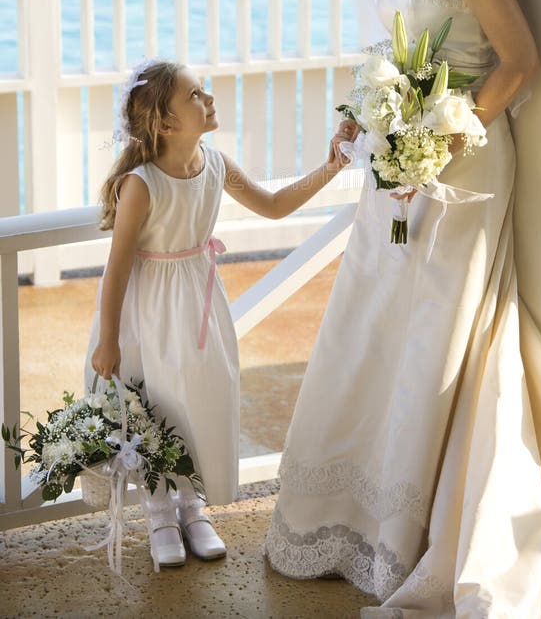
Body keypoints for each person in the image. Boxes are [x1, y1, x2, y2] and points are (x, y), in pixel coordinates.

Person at [265, 0, 541, 618]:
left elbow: (520, 58)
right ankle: (345, 520)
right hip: (394, 165)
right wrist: (365, 113)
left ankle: (406, 531)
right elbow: (401, 47)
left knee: (430, 333)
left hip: (460, 166)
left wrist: (438, 148)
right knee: (371, 326)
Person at [85, 57, 353, 569]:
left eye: (203, 91)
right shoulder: (141, 184)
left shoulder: (216, 163)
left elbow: (274, 205)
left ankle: (193, 504)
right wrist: (109, 340)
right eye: (194, 95)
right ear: (164, 124)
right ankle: (160, 508)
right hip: (149, 306)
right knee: (154, 401)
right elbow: (117, 268)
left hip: (198, 296)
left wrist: (332, 165)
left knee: (201, 396)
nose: (208, 100)